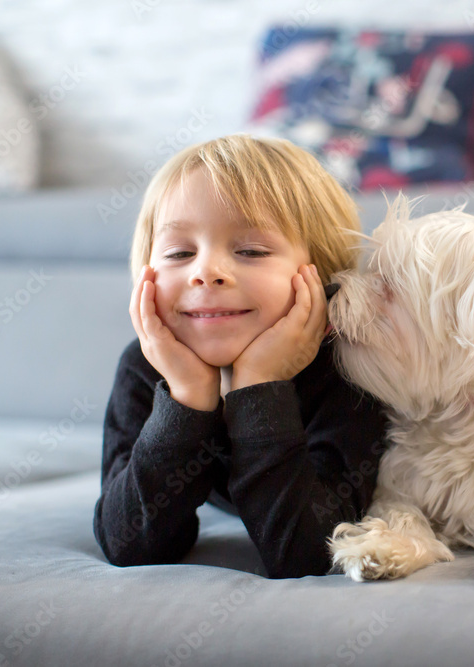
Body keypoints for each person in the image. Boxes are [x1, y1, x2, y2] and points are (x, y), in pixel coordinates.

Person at [93, 134, 388, 578]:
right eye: (179, 253)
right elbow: (128, 544)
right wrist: (188, 395)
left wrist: (259, 386)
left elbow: (306, 554)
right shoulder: (146, 365)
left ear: (320, 277)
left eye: (250, 251)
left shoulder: (349, 368)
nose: (206, 272)